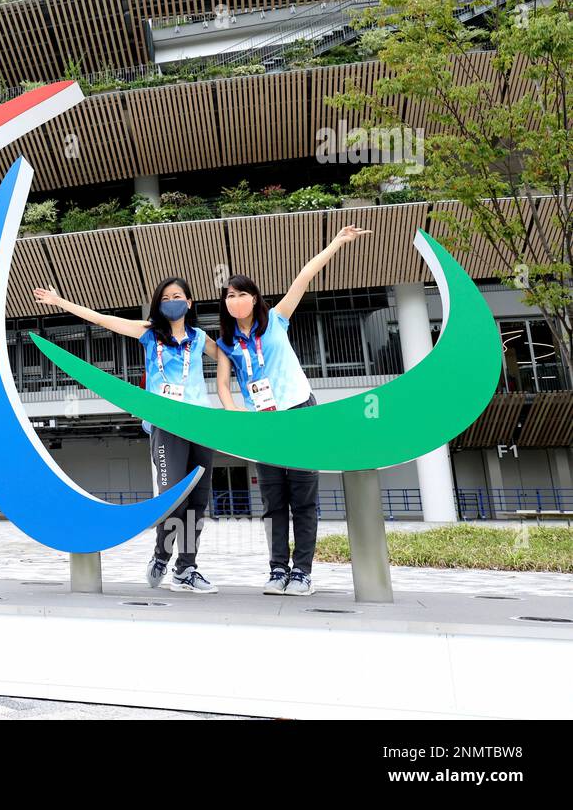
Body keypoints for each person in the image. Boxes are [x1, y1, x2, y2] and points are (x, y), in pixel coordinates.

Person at [33, 278, 227, 593]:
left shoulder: (200, 337)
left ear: (189, 303)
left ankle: (187, 569)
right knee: (173, 499)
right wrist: (60, 302)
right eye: (166, 297)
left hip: (200, 425)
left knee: (197, 503)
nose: (172, 301)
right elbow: (101, 319)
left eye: (178, 296)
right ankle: (161, 555)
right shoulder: (150, 333)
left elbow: (229, 358)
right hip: (166, 426)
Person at [216, 225, 372, 596]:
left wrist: (336, 242)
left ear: (255, 298)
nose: (234, 300)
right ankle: (277, 570)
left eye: (241, 294)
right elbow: (223, 384)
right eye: (229, 296)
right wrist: (236, 414)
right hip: (264, 426)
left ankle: (301, 572)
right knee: (273, 502)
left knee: (303, 499)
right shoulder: (226, 342)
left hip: (301, 414)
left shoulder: (278, 321)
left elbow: (304, 275)